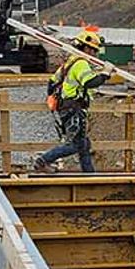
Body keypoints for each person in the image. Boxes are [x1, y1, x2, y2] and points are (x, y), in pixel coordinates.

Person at [33, 26, 108, 174]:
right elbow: (89, 82)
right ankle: (42, 161)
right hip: (74, 108)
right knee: (74, 144)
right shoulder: (81, 63)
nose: (95, 54)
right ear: (86, 49)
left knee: (83, 144)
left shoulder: (69, 63)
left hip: (66, 108)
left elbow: (52, 83)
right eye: (93, 50)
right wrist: (106, 74)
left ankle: (90, 175)